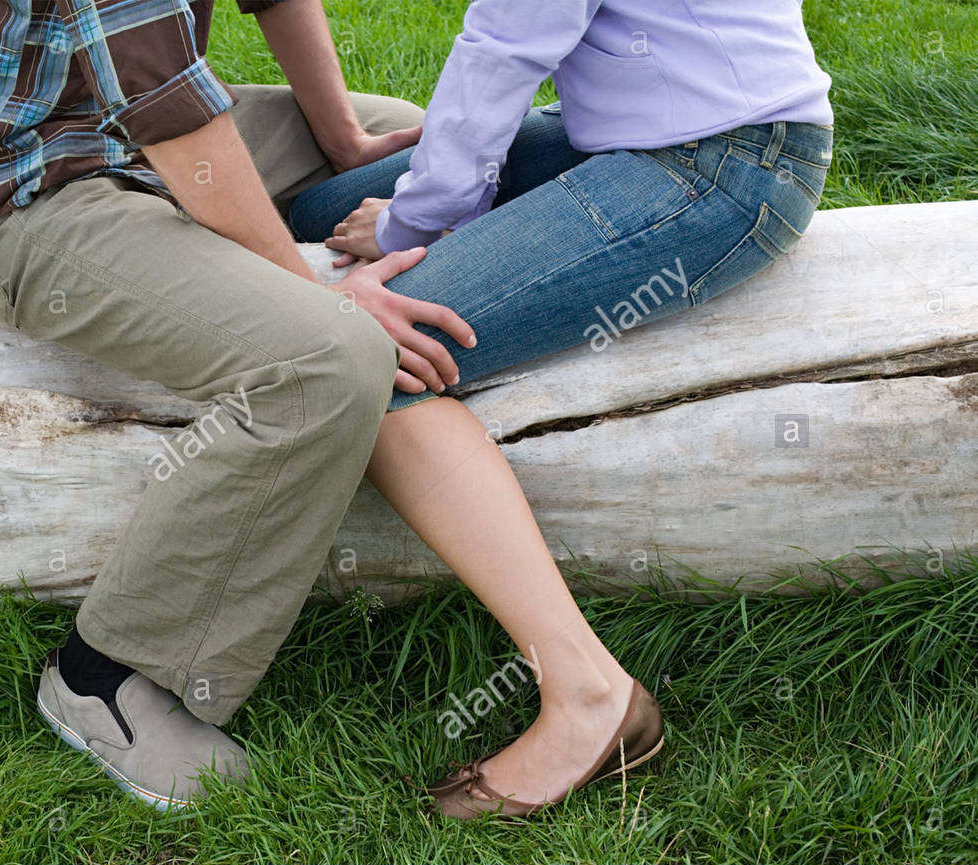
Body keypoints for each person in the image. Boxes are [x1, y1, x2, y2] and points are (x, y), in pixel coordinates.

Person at [291, 0, 833, 817]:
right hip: (642, 129)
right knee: (313, 217)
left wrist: (417, 221)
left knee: (372, 351)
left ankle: (590, 698)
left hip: (716, 165)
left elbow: (507, 45)